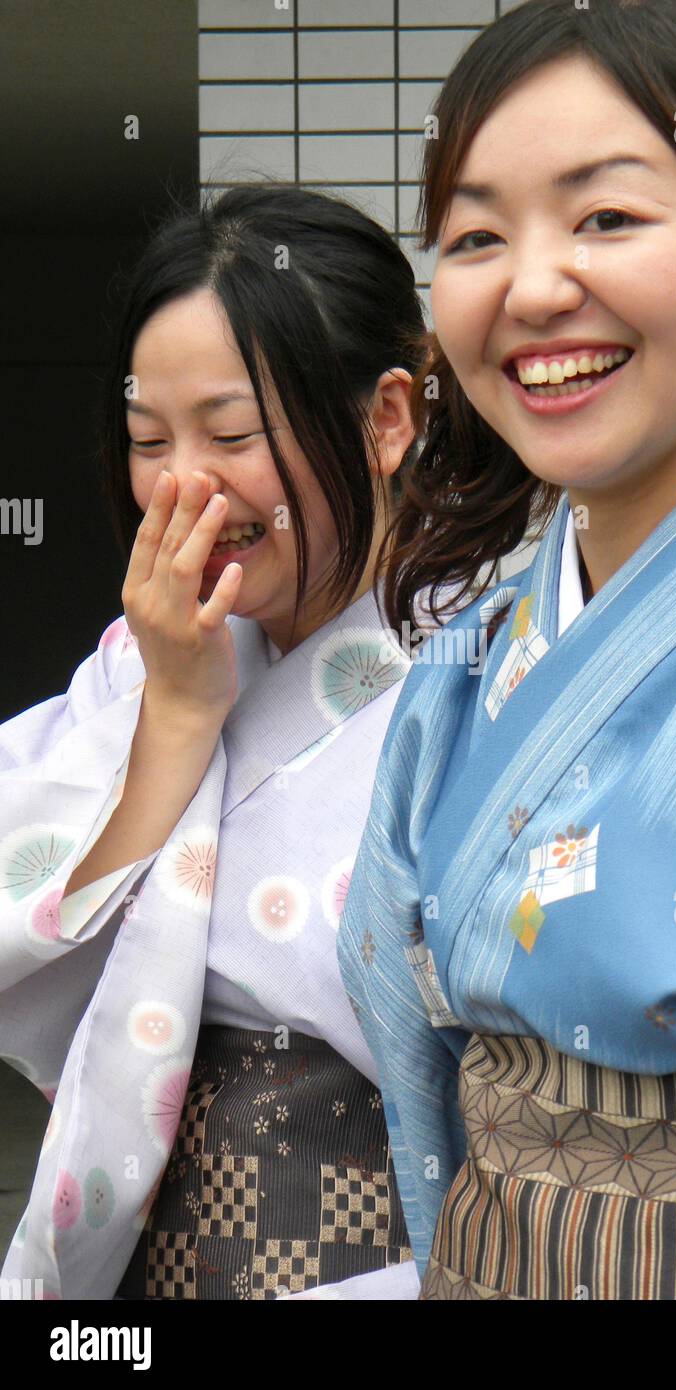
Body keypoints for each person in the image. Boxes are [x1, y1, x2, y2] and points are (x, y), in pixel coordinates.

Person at [338, 0, 676, 1300]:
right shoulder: (463, 665)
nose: (528, 286)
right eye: (473, 236)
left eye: (606, 218)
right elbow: (420, 1080)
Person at [0, 183, 428, 1300]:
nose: (181, 483)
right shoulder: (148, 665)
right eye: (149, 439)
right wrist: (177, 717)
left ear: (386, 418)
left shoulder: (479, 677)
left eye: (231, 433)